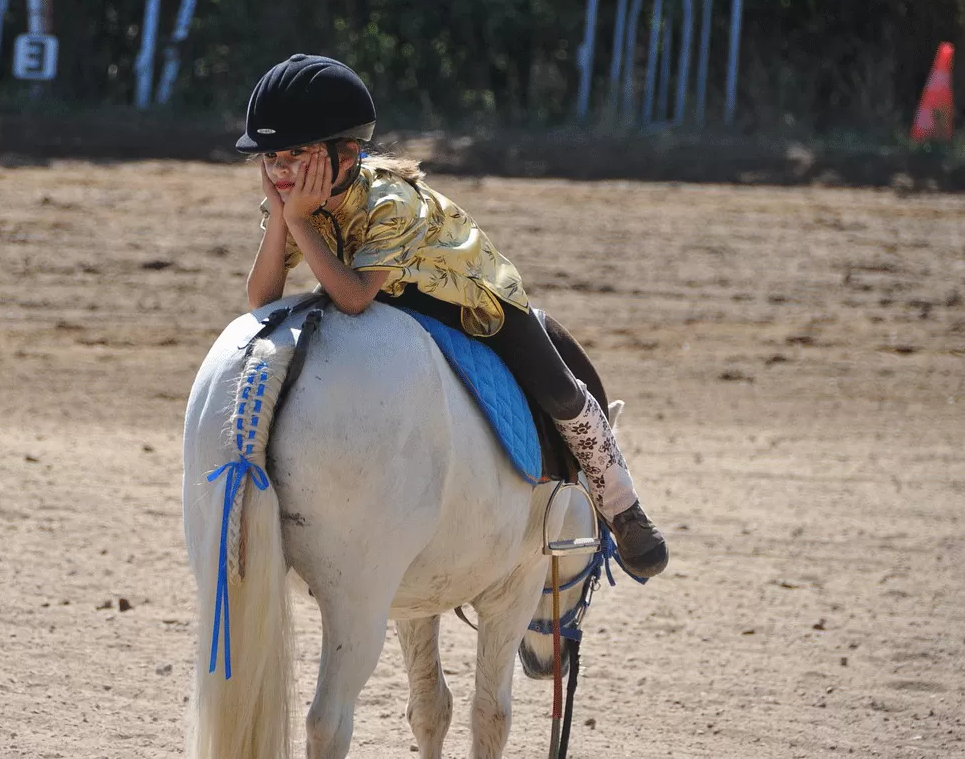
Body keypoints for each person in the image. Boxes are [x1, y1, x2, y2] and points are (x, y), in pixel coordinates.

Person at [240, 53, 668, 578]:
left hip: (473, 298)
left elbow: (353, 299)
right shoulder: (292, 199)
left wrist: (299, 221)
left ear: (346, 152)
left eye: (297, 154)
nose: (282, 171)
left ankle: (623, 509)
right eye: (271, 158)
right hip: (391, 298)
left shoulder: (389, 200)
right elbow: (262, 299)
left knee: (558, 389)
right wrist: (287, 217)